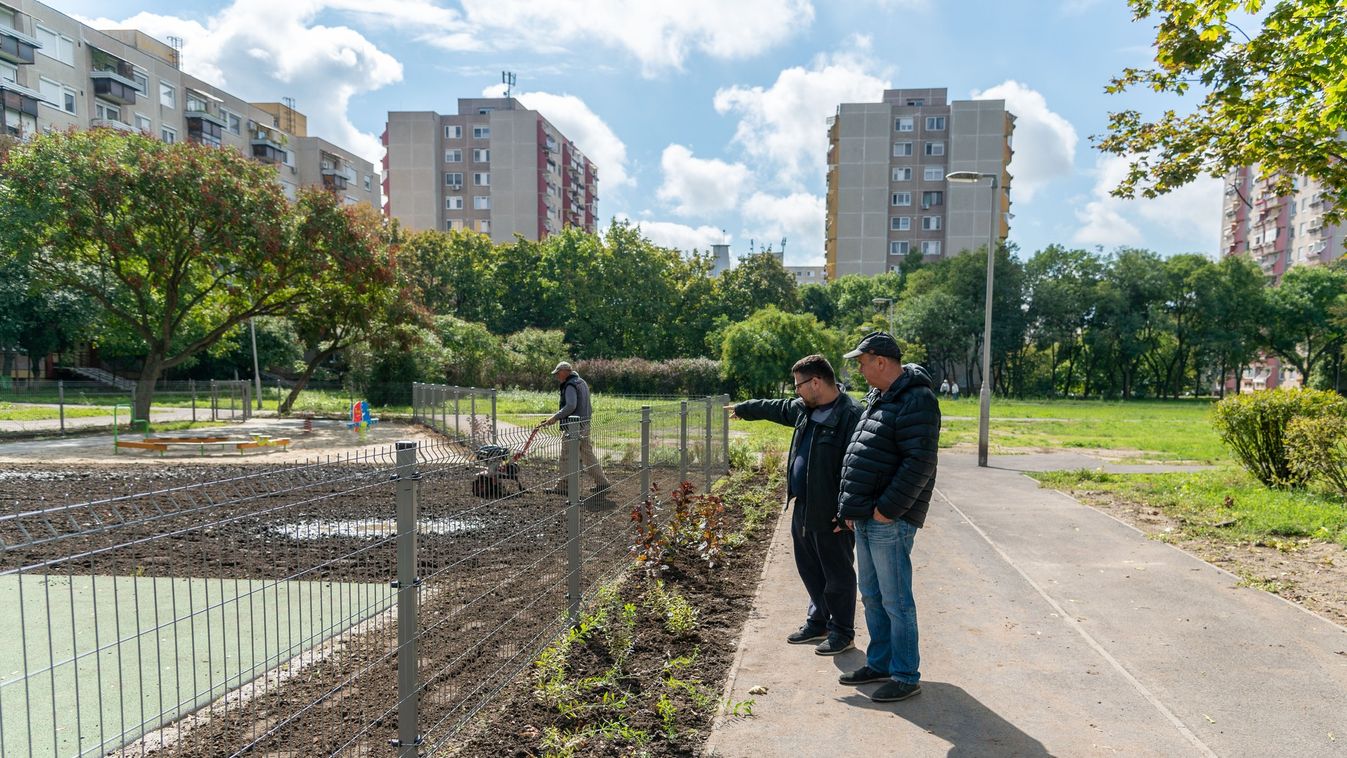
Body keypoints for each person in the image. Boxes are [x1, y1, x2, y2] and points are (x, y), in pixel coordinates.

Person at [727, 355, 863, 656]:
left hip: (833, 513)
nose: (796, 392)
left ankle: (842, 631)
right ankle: (819, 621)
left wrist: (847, 512)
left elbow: (858, 468)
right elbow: (776, 407)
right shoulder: (805, 409)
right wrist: (743, 409)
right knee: (809, 567)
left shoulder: (850, 415)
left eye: (798, 385)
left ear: (816, 382)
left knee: (837, 573)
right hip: (804, 506)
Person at [835, 332, 940, 703]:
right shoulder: (881, 397)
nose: (860, 370)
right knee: (873, 596)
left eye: (862, 362)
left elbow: (920, 462)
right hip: (867, 515)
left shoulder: (917, 399)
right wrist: (852, 509)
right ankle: (880, 662)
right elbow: (864, 454)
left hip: (888, 519)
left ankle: (906, 674)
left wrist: (887, 509)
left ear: (880, 361)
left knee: (896, 600)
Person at [541, 362, 611, 495]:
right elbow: (588, 406)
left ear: (565, 371)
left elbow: (571, 406)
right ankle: (602, 482)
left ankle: (564, 486)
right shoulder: (582, 382)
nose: (557, 376)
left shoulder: (570, 385)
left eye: (558, 373)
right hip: (585, 424)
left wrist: (555, 417)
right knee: (587, 454)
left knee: (566, 456)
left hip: (573, 428)